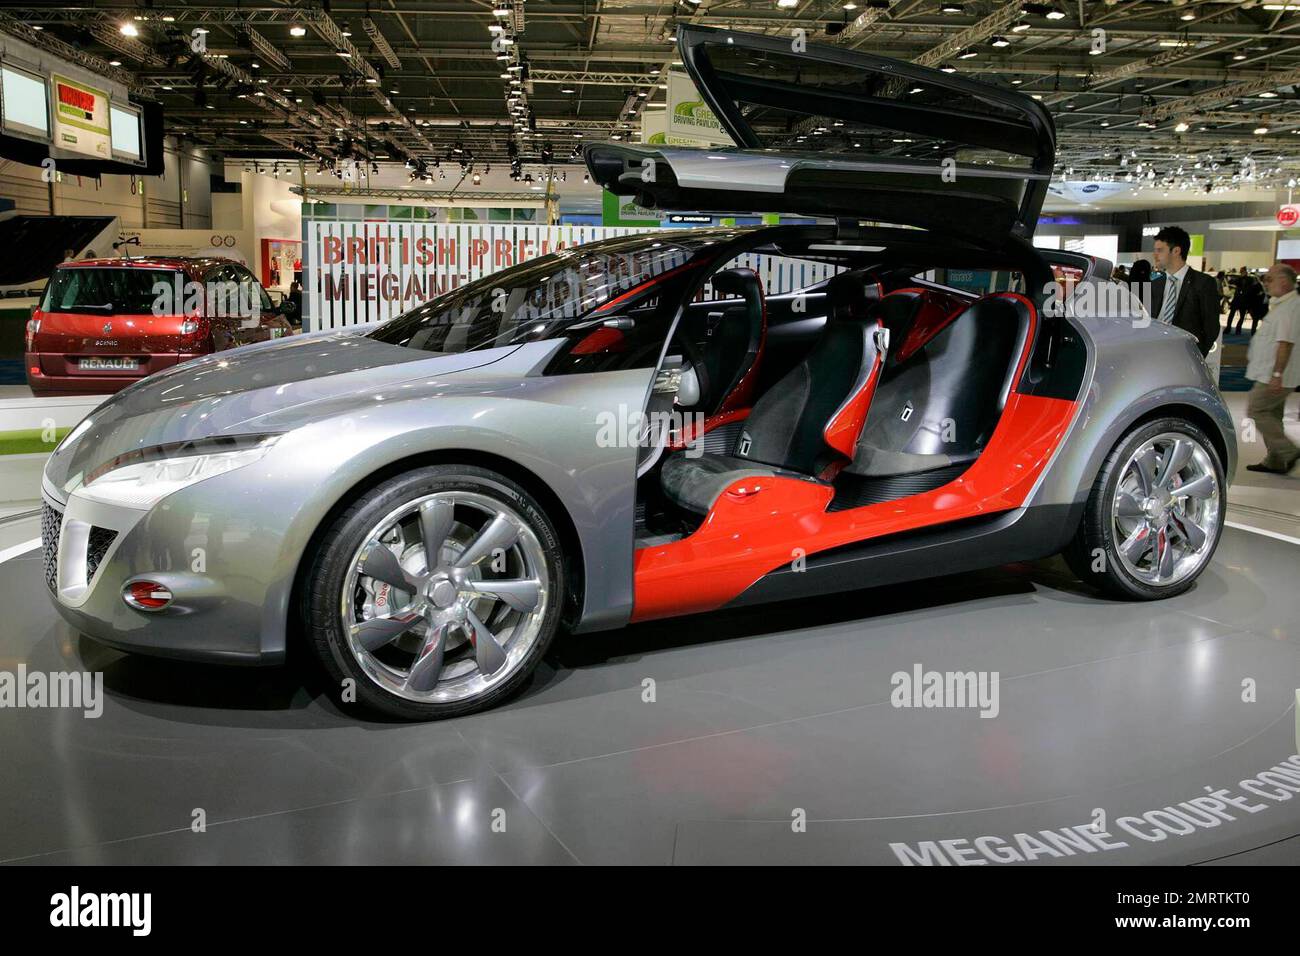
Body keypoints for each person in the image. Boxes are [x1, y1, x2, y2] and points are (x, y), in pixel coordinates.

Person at [1244, 262, 1300, 474]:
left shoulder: (1289, 308)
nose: (1265, 283)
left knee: (1257, 409)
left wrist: (1277, 374)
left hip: (1274, 374)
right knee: (1273, 414)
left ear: (1284, 281)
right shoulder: (1283, 305)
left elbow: (1285, 343)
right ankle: (1275, 461)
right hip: (1273, 373)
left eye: (1269, 279)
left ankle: (1288, 451)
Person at [1150, 226, 1220, 358]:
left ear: (1176, 251)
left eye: (1160, 250)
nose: (1155, 255)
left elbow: (1211, 328)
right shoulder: (1156, 284)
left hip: (1184, 356)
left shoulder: (1203, 283)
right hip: (1155, 353)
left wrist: (1196, 357)